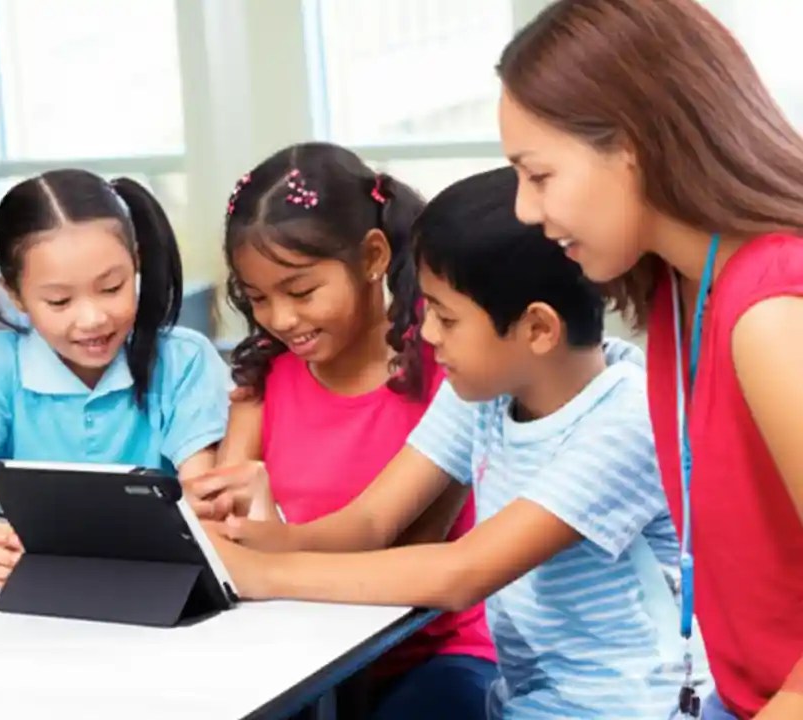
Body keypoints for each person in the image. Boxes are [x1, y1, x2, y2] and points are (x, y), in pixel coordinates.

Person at [195, 167, 698, 718]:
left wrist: (261, 574)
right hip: (528, 703)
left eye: (446, 317)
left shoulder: (626, 421)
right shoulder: (484, 393)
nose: (428, 335)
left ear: (537, 329)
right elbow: (369, 523)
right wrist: (248, 540)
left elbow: (462, 573)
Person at [496, 1, 803, 716]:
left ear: (633, 144)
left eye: (538, 175)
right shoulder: (678, 291)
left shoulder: (769, 312)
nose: (523, 210)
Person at [213, 142, 495, 718]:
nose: (280, 318)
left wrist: (269, 547)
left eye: (300, 291)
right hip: (292, 636)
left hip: (432, 649)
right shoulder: (262, 377)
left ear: (372, 257)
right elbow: (227, 533)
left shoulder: (446, 368)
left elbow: (397, 544)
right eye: (258, 298)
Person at [0, 169, 231, 588]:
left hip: (155, 586)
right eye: (59, 301)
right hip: (40, 598)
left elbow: (202, 505)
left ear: (136, 260)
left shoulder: (183, 360)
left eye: (112, 287)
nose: (92, 318)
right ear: (14, 293)